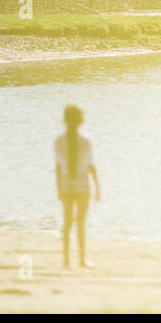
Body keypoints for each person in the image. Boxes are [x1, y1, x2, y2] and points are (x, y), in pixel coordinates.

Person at [55, 105, 99, 269]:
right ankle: (81, 259)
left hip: (66, 184)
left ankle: (66, 260)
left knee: (67, 223)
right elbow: (91, 166)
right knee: (81, 223)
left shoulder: (59, 141)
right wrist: (98, 187)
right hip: (82, 184)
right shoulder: (86, 141)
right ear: (81, 120)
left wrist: (58, 188)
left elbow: (58, 168)